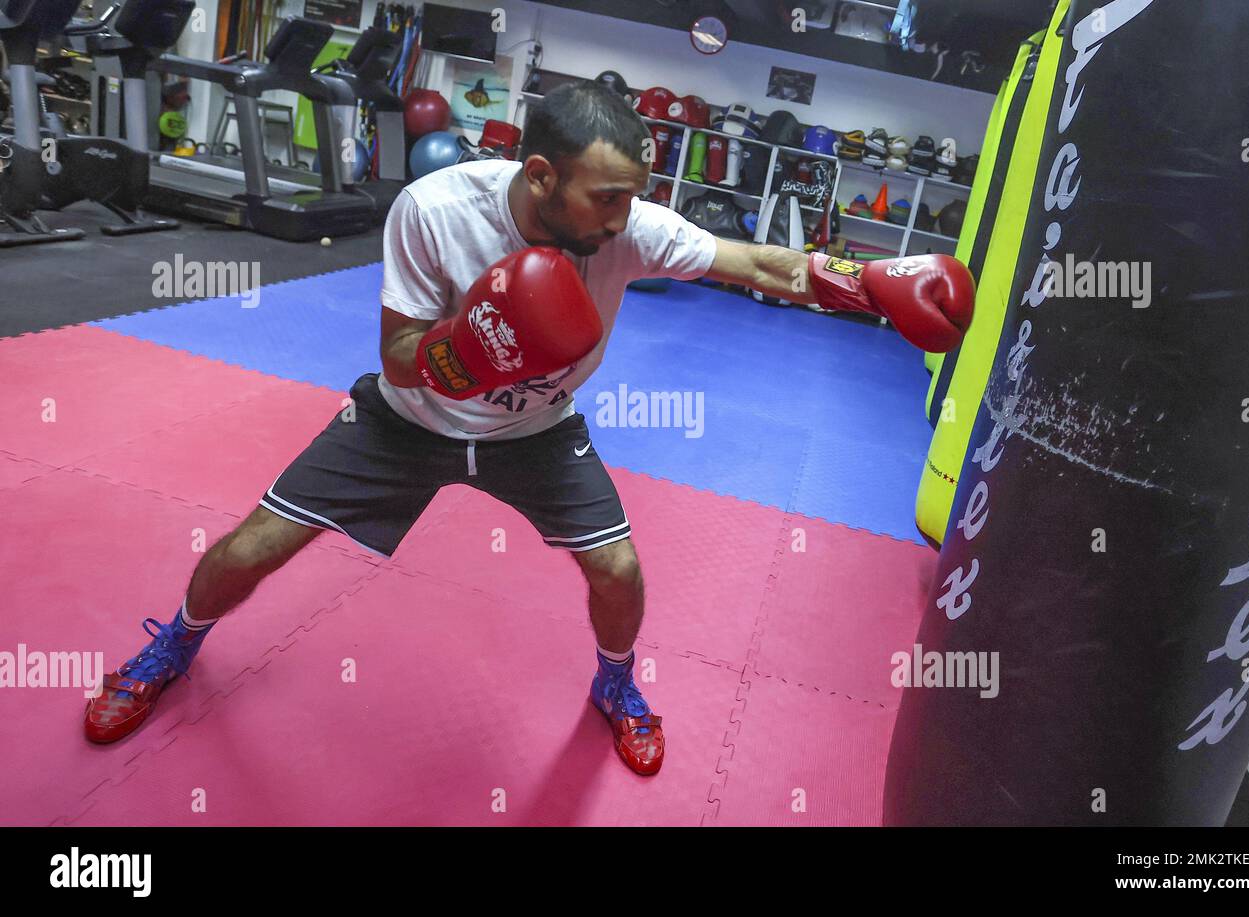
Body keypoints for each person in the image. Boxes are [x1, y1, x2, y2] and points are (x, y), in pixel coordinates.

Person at [84, 81, 974, 777]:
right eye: (606, 198)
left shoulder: (630, 228)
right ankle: (177, 642)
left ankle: (615, 679)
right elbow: (396, 354)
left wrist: (864, 283)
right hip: (406, 419)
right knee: (249, 547)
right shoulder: (434, 211)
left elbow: (755, 262)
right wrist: (464, 348)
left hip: (540, 430)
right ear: (541, 175)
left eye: (635, 198)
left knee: (618, 567)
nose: (624, 219)